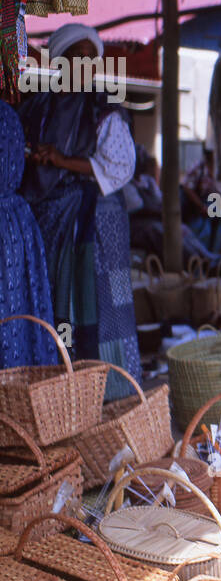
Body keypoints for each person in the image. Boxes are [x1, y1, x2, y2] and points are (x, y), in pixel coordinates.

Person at [19, 23, 141, 399]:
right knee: (58, 299)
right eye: (78, 58)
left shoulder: (102, 107)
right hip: (52, 220)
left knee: (99, 300)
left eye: (92, 58)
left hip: (97, 225)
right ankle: (64, 392)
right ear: (60, 63)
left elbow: (118, 166)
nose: (86, 65)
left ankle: (110, 388)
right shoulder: (40, 106)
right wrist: (40, 157)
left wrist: (62, 160)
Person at [0, 100, 58, 368]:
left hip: (11, 227)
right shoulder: (9, 116)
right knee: (19, 312)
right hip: (16, 225)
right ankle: (19, 396)